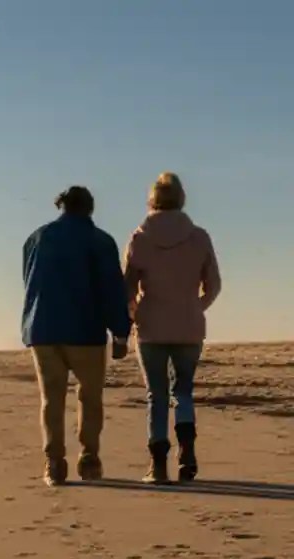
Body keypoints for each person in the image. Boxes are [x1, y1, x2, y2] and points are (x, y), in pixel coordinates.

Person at [22, 186, 131, 486]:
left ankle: (54, 463)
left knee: (51, 399)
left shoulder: (36, 239)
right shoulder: (100, 241)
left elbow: (28, 283)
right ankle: (89, 458)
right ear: (90, 209)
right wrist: (121, 333)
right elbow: (112, 290)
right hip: (85, 330)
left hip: (42, 329)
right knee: (90, 397)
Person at [124, 172, 222, 484]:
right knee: (183, 390)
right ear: (181, 199)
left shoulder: (140, 238)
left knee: (156, 393)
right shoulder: (199, 237)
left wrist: (136, 313)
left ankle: (158, 466)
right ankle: (187, 451)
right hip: (189, 326)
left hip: (151, 326)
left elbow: (127, 289)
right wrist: (195, 307)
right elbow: (214, 285)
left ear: (152, 200)